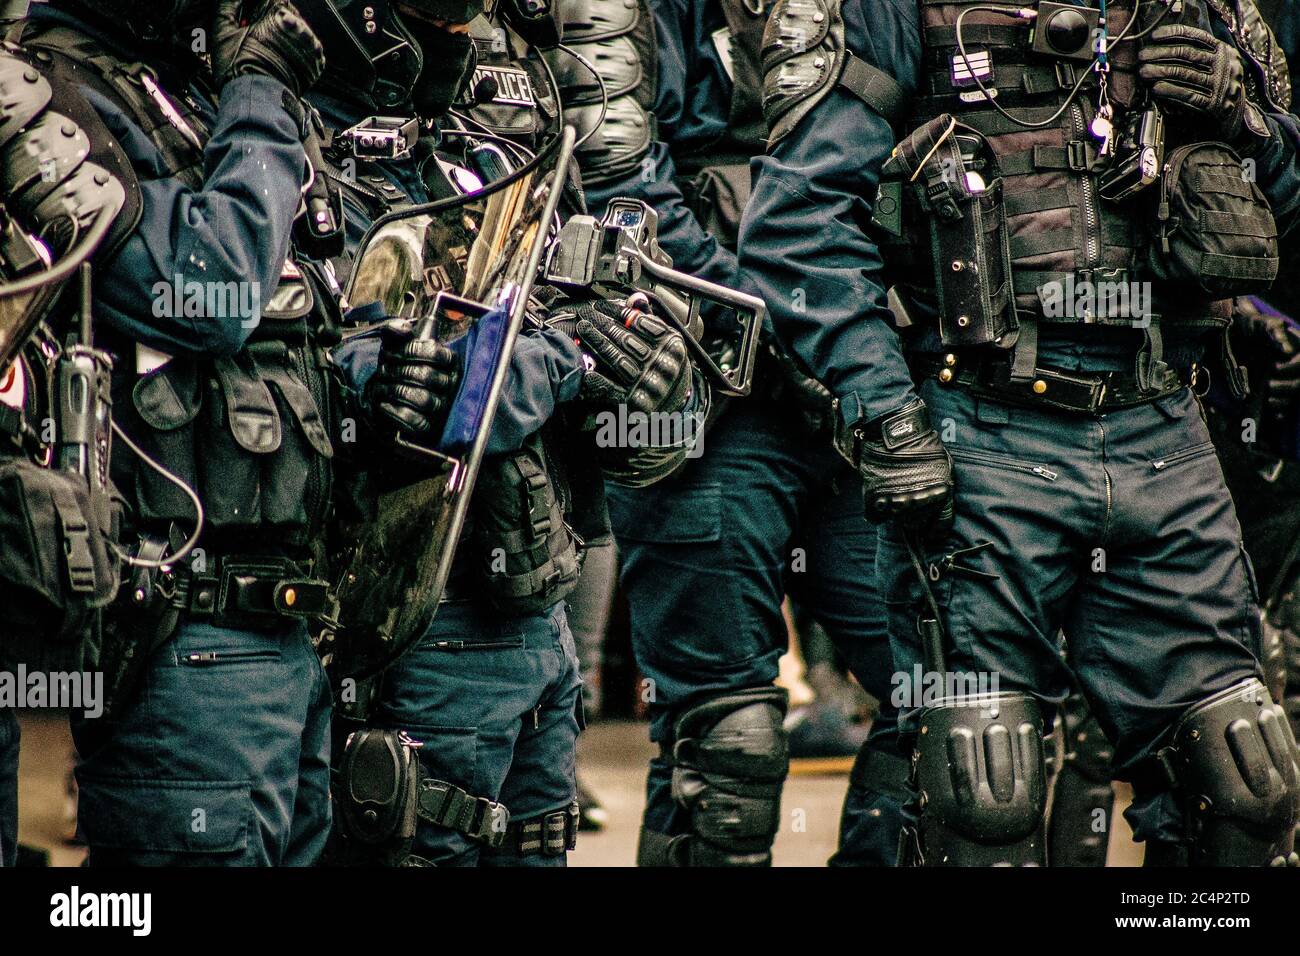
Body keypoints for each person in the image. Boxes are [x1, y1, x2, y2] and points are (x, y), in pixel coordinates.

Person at [742, 0, 1300, 865]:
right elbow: (798, 227)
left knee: (1244, 782)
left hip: (1165, 431)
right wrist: (885, 412)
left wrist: (1246, 119)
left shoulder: (1201, 10)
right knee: (982, 791)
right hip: (982, 435)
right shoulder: (902, 12)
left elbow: (1292, 214)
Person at [300, 0, 701, 865]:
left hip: (537, 603)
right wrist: (568, 357)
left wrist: (636, 357)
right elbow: (435, 377)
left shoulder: (522, 104)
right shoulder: (310, 87)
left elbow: (615, 353)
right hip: (411, 605)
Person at [559, 0, 909, 867]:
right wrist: (780, 320)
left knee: (944, 694)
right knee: (726, 740)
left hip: (853, 376)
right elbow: (619, 191)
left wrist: (845, 336)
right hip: (699, 394)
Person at [16, 0, 346, 866]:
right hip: (186, 634)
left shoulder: (178, 89)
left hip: (291, 630)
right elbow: (214, 290)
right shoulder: (45, 90)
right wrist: (261, 90)